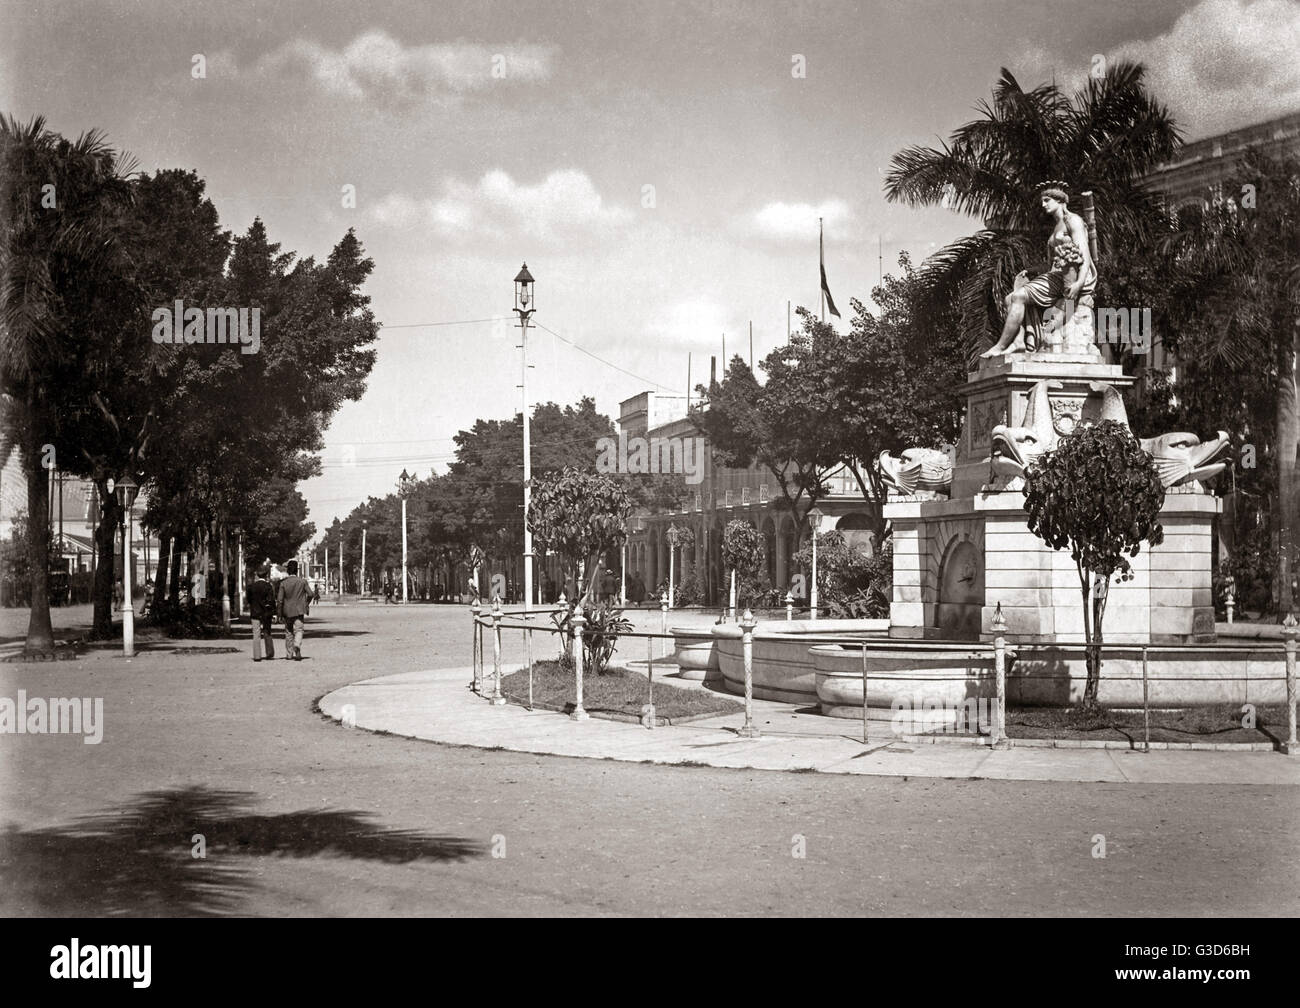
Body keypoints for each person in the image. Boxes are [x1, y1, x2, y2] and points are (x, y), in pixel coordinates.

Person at [276, 559, 311, 661]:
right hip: (299, 610)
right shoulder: (302, 581)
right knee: (299, 630)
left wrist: (279, 613)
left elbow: (280, 600)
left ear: (288, 571)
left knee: (289, 631)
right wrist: (306, 603)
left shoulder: (283, 583)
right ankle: (297, 645)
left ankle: (289, 654)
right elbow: (311, 594)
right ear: (297, 570)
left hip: (287, 611)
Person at [248, 564, 277, 661]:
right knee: (267, 632)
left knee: (256, 634)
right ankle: (269, 653)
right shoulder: (268, 586)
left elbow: (249, 599)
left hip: (255, 612)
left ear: (257, 575)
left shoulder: (251, 586)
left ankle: (257, 656)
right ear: (266, 575)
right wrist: (274, 612)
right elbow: (271, 600)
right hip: (266, 613)